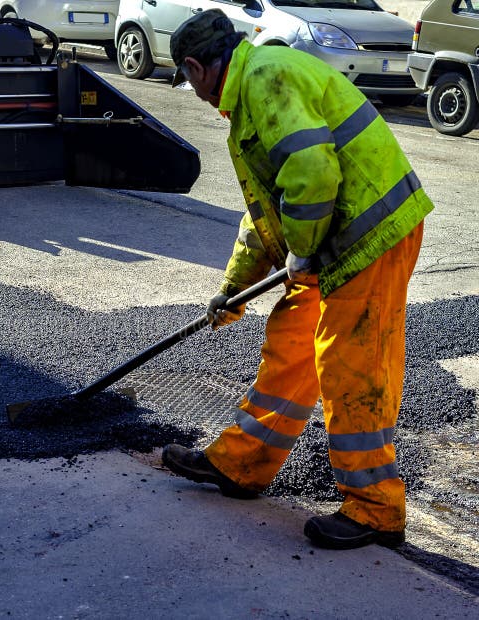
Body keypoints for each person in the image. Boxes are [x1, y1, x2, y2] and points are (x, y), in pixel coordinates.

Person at [161, 9, 433, 550]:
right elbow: (265, 215)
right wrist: (233, 291)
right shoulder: (250, 96)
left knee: (348, 364)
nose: (190, 91)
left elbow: (312, 172)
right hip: (332, 236)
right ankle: (242, 464)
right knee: (292, 341)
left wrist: (303, 252)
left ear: (195, 67)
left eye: (186, 79)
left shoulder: (266, 76)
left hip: (369, 233)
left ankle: (376, 509)